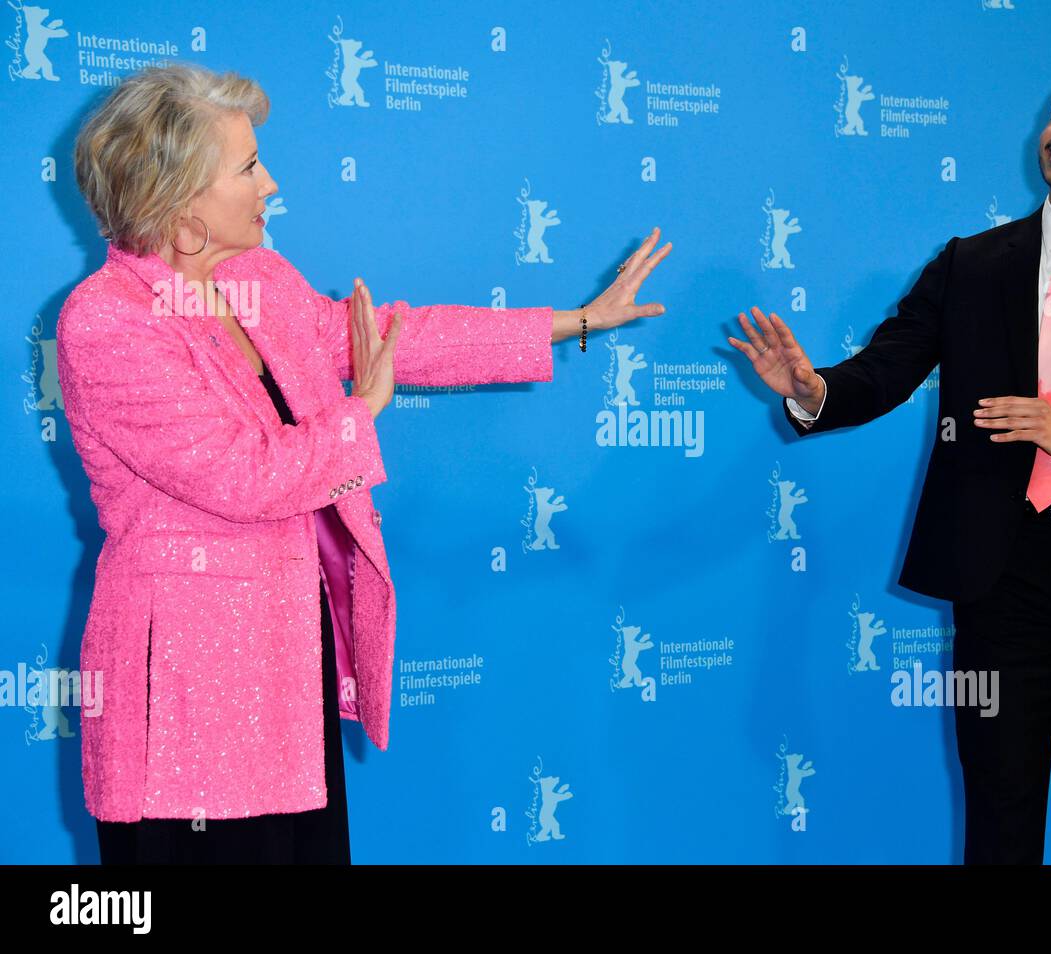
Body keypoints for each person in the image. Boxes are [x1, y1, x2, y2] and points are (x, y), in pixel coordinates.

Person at [58, 62, 671, 864]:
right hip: (182, 699)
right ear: (181, 202)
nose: (270, 183)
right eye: (247, 168)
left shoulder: (256, 279)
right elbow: (244, 477)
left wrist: (574, 321)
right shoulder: (107, 323)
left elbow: (389, 337)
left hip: (282, 669)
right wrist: (362, 415)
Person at [728, 61, 1051, 864]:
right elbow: (884, 371)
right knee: (999, 819)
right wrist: (812, 389)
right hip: (1000, 573)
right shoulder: (971, 264)